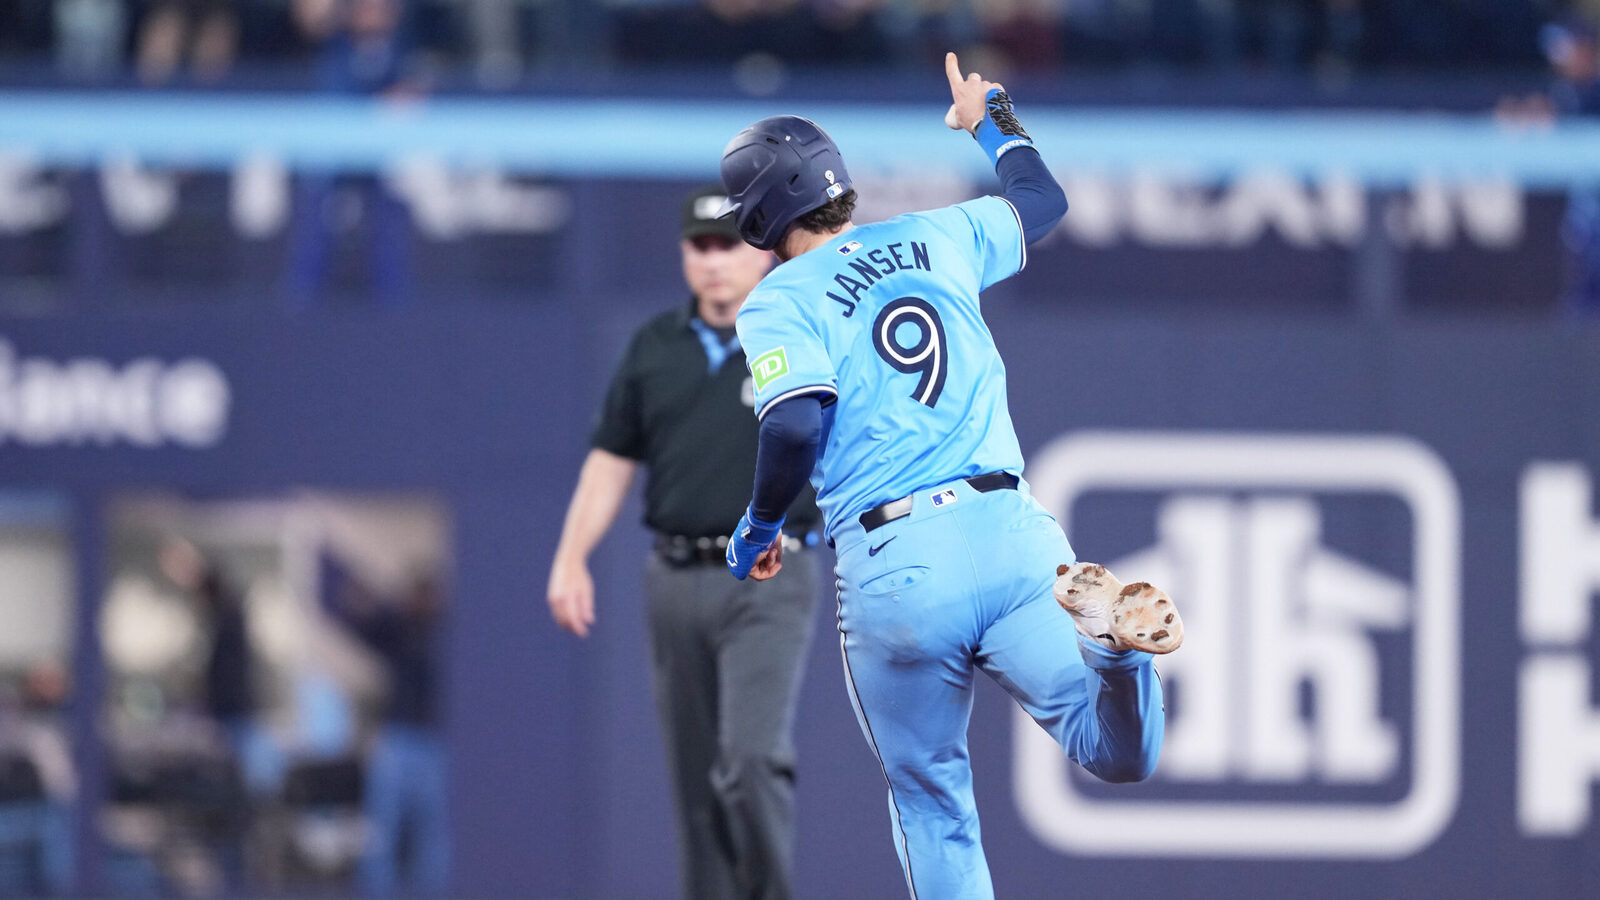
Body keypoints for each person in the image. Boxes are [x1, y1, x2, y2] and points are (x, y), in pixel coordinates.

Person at [715, 53, 1185, 899]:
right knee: (1118, 755)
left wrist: (759, 525)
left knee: (934, 805)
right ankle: (1110, 646)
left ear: (758, 218)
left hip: (899, 562)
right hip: (1012, 536)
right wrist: (991, 121)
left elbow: (791, 420)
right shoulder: (933, 234)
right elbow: (1045, 203)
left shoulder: (780, 299)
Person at [547, 186, 824, 900]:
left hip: (770, 575)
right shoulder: (654, 347)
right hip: (673, 576)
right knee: (697, 780)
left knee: (752, 758)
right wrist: (571, 555)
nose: (714, 262)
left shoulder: (799, 335)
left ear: (761, 254)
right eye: (700, 246)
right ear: (682, 254)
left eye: (728, 244)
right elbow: (611, 460)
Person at [1498, 13, 1600, 316]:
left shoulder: (1591, 92)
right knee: (1582, 299)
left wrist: (1535, 114)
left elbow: (1561, 113)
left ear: (1587, 50)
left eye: (1568, 51)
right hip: (1587, 215)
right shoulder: (1569, 91)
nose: (1562, 61)